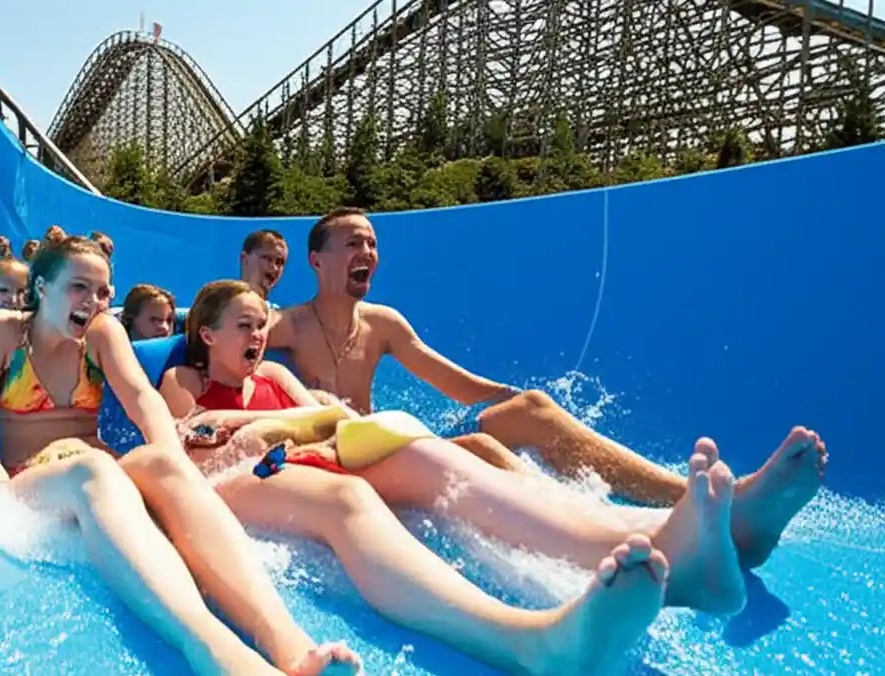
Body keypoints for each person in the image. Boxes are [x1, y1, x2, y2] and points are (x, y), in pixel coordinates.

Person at [155, 280, 680, 676]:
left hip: (305, 457)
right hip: (240, 481)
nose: (258, 335)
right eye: (244, 326)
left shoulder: (273, 373)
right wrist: (267, 423)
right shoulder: (185, 379)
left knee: (424, 455)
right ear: (208, 334)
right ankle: (526, 645)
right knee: (346, 497)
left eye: (261, 325)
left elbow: (324, 413)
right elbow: (189, 443)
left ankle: (643, 539)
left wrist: (285, 420)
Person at [267, 207, 826, 568]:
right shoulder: (288, 325)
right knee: (481, 446)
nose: (367, 253)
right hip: (348, 459)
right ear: (316, 260)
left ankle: (698, 499)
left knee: (530, 408)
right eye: (352, 244)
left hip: (395, 442)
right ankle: (612, 530)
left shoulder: (383, 324)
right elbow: (228, 335)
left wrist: (519, 403)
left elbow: (459, 385)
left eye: (371, 244)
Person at [0, 237, 358, 676]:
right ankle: (216, 654)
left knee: (159, 463)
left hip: (98, 462)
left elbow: (143, 399)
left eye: (103, 292)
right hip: (35, 475)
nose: (93, 302)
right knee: (94, 469)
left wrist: (173, 458)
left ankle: (286, 641)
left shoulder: (102, 333)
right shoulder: (1, 331)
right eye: (79, 287)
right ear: (42, 287)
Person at [239, 229, 288, 303]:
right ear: (245, 259)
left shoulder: (276, 311)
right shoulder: (223, 305)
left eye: (279, 262)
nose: (274, 268)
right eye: (267, 258)